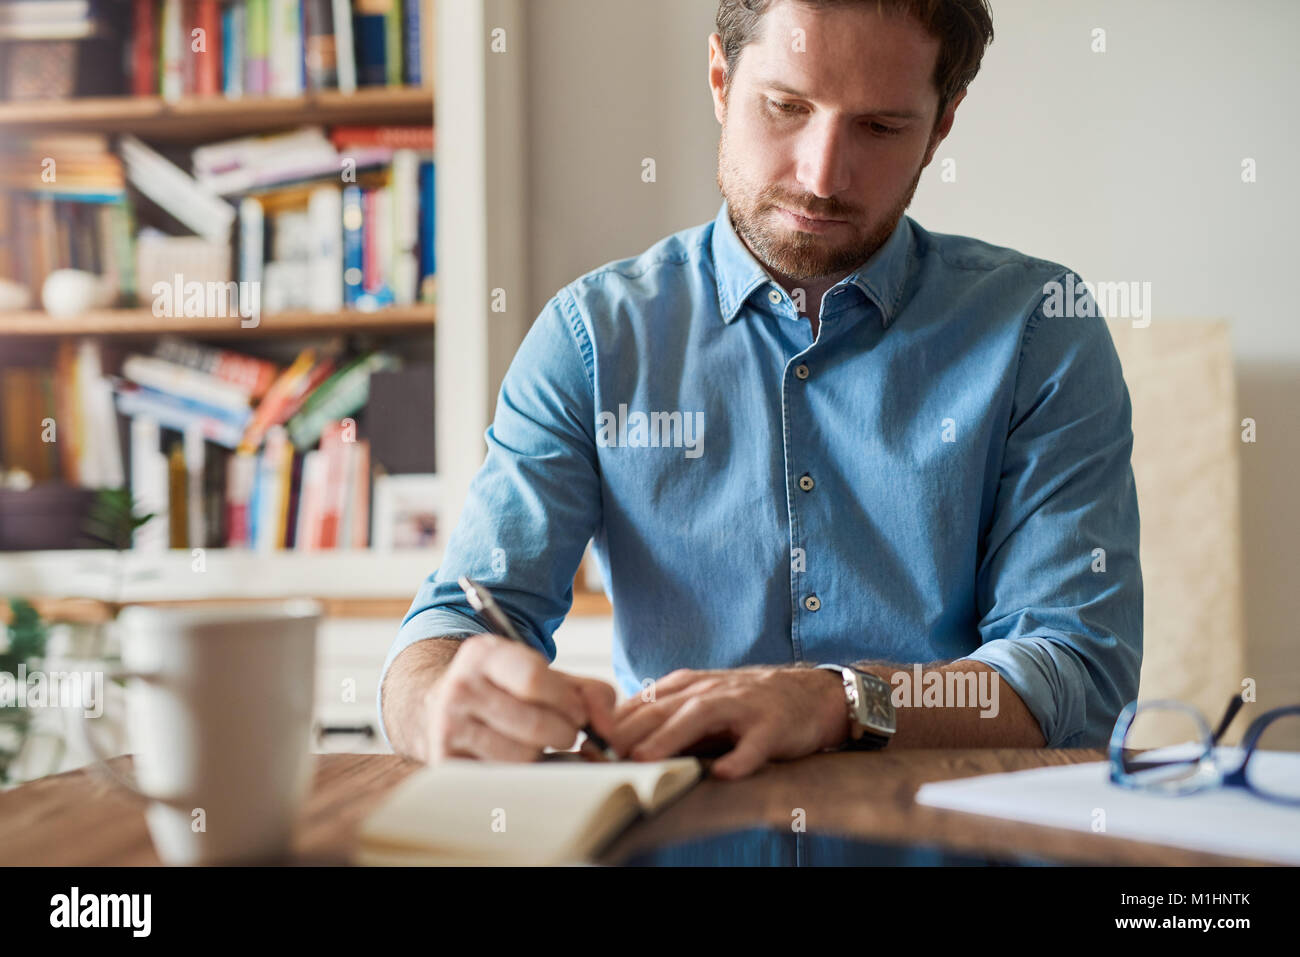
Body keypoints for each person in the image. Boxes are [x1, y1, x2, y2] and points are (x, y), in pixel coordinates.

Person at [378, 0, 1142, 779]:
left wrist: (838, 701)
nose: (820, 176)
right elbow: (455, 621)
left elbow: (1076, 673)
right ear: (720, 78)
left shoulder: (1042, 329)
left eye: (879, 128)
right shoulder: (592, 339)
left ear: (942, 125)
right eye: (786, 107)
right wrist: (437, 701)